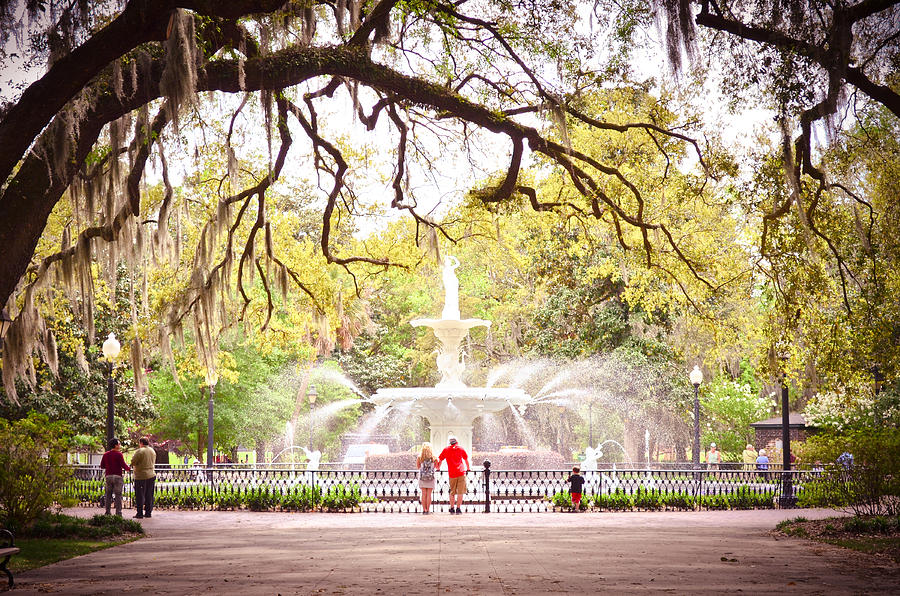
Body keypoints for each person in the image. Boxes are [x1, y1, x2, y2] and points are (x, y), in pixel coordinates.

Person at [437, 436, 470, 514]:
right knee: (460, 492)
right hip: (461, 472)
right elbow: (465, 460)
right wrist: (468, 468)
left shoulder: (446, 449)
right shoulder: (461, 449)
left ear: (450, 442)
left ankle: (452, 507)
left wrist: (438, 468)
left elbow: (440, 460)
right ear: (457, 442)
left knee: (452, 492)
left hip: (452, 473)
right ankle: (458, 508)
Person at [100, 438, 131, 517]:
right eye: (119, 444)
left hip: (108, 476)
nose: (120, 445)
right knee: (118, 495)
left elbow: (102, 466)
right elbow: (123, 465)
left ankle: (107, 512)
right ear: (115, 445)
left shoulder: (106, 454)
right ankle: (118, 513)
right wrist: (128, 469)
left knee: (108, 495)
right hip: (117, 476)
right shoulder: (119, 454)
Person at [130, 437, 156, 519]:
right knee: (149, 494)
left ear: (141, 443)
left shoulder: (140, 451)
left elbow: (133, 461)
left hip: (141, 475)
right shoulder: (152, 451)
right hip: (151, 474)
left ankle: (140, 513)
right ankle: (148, 512)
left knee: (140, 495)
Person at [416, 442, 439, 515]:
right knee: (429, 494)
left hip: (422, 477)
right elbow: (436, 467)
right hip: (431, 477)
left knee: (423, 494)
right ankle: (428, 509)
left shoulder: (420, 458)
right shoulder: (434, 458)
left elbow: (418, 467)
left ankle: (424, 509)